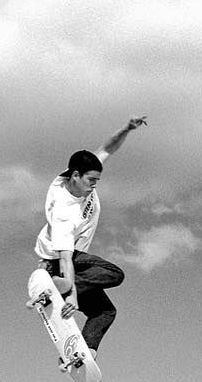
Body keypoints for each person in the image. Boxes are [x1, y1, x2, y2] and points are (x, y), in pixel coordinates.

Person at [33, 116, 147, 354]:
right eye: (91, 180)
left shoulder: (81, 172)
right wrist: (71, 295)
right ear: (75, 175)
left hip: (72, 266)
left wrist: (127, 128)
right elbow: (65, 258)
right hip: (59, 262)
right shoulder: (64, 210)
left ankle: (84, 352)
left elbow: (107, 148)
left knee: (105, 312)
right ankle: (57, 289)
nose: (95, 185)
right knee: (114, 274)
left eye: (97, 180)